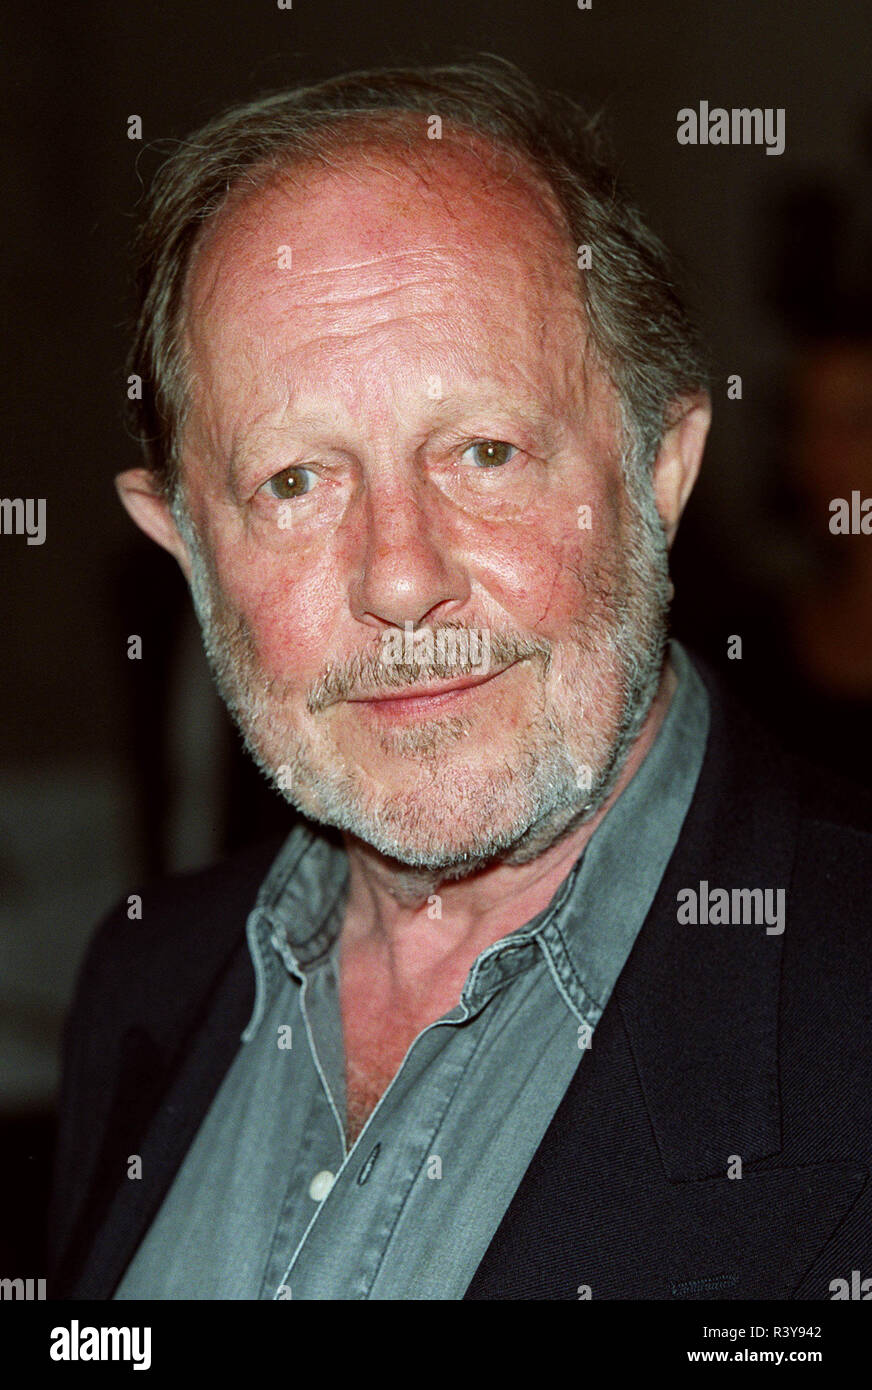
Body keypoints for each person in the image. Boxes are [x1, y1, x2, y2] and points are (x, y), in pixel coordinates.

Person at [48, 57, 872, 1301]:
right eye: (293, 481)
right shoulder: (142, 985)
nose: (397, 577)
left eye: (483, 452)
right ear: (186, 547)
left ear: (660, 473)